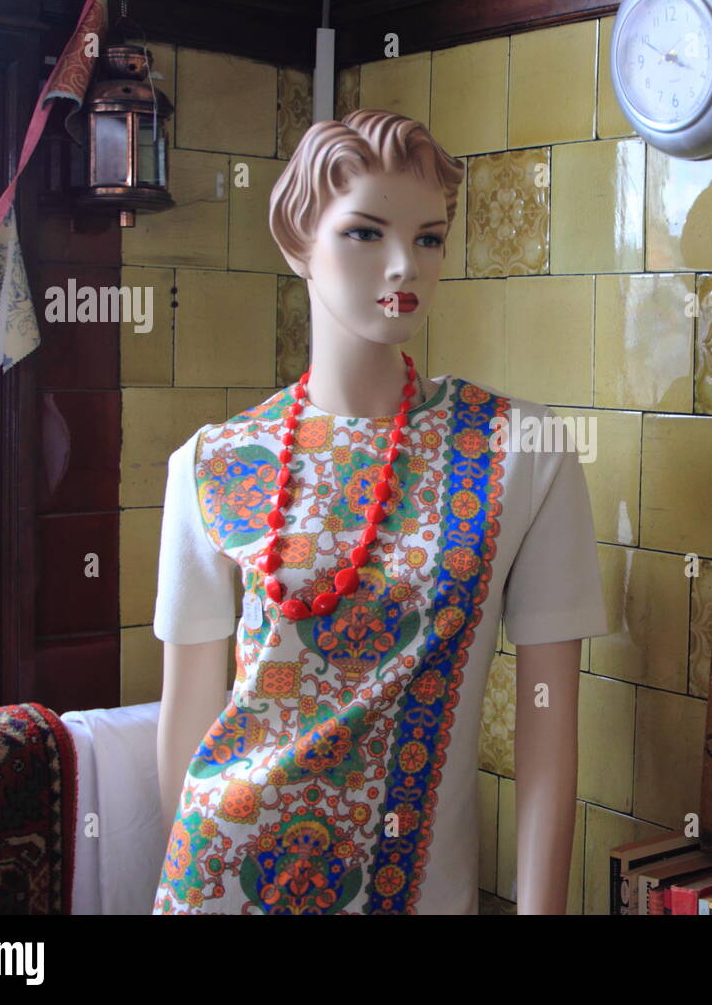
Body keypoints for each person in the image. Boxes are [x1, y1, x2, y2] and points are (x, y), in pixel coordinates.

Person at [151, 109, 609, 914]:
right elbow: (188, 715)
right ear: (299, 244)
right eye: (365, 233)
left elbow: (547, 727)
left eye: (429, 238)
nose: (405, 263)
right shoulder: (212, 464)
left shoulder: (523, 450)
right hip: (223, 880)